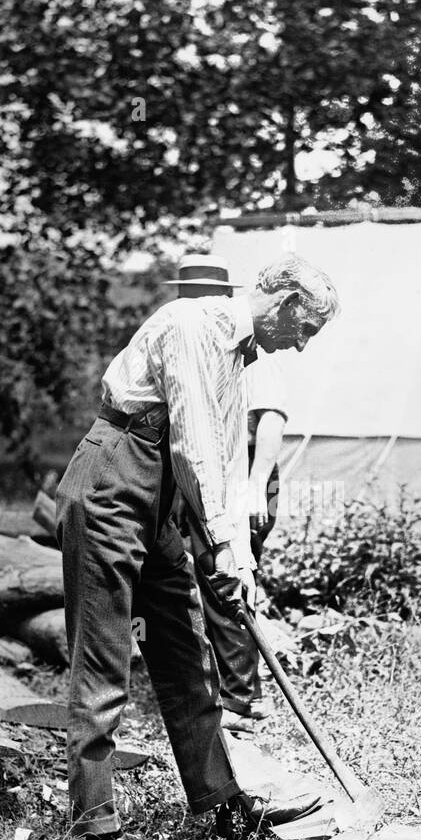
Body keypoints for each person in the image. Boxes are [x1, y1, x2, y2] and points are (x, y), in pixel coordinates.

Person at [55, 254, 341, 840]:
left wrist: (238, 558)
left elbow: (228, 468)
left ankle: (219, 802)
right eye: (305, 330)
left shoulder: (239, 357)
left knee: (185, 642)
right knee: (105, 659)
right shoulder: (192, 326)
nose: (300, 346)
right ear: (286, 300)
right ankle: (95, 836)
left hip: (157, 491)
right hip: (114, 476)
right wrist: (222, 545)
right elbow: (194, 444)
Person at [165, 254, 287, 727]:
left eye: (199, 293)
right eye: (186, 293)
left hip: (248, 474)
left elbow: (271, 417)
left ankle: (243, 697)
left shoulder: (249, 343)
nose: (191, 302)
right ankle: (237, 689)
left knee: (230, 579)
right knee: (214, 577)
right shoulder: (194, 337)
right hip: (212, 473)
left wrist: (255, 486)